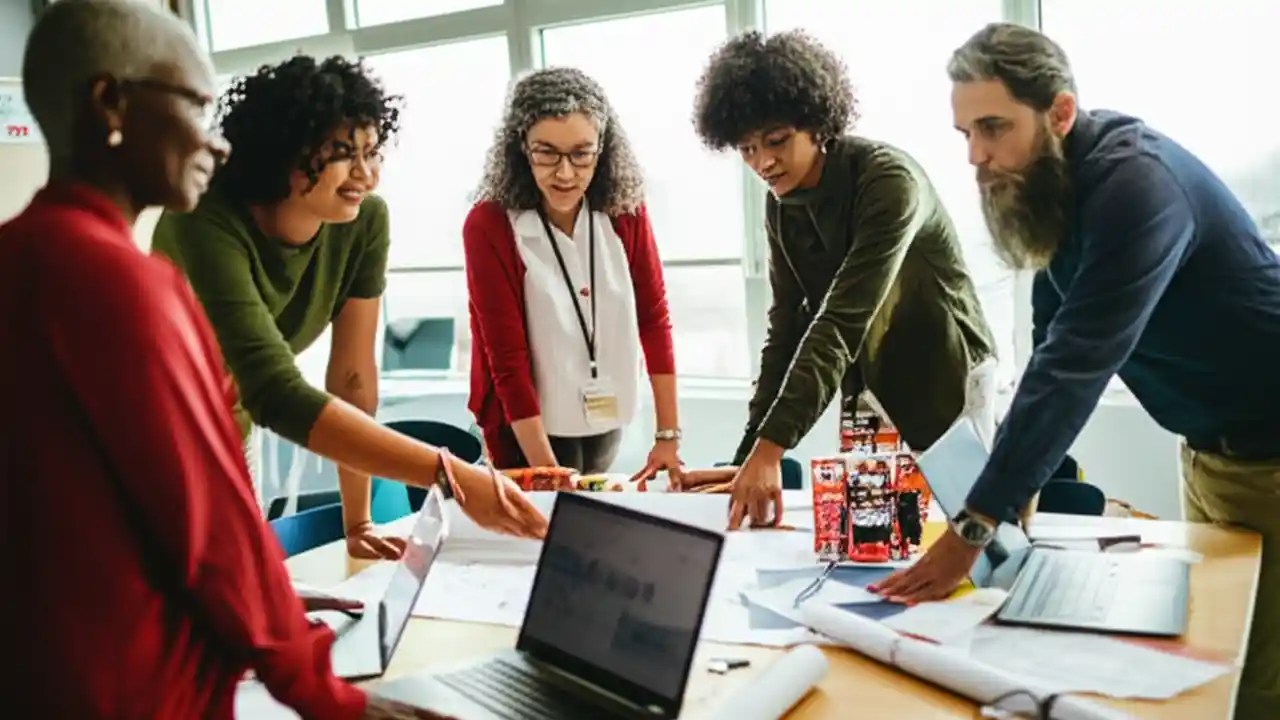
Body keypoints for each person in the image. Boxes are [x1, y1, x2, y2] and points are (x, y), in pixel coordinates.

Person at [0, 2, 454, 717]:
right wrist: (338, 700)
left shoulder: (19, 256)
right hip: (138, 685)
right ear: (111, 102)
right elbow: (204, 528)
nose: (217, 144)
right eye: (195, 107)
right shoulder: (126, 284)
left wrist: (258, 591)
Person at [873, 22, 1280, 718]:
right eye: (964, 133)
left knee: (1252, 685)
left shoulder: (1135, 186)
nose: (976, 156)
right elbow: (1046, 349)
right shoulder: (1060, 190)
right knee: (1212, 652)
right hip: (1210, 453)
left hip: (1271, 456)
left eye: (994, 127)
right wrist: (1017, 500)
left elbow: (1075, 365)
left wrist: (973, 529)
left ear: (1060, 112)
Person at [151, 55, 546, 558]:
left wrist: (357, 522)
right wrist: (454, 477)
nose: (365, 174)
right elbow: (275, 392)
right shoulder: (204, 219)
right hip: (148, 431)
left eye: (373, 152)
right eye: (342, 154)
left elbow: (353, 377)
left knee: (241, 586)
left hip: (229, 425)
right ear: (284, 153)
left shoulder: (362, 222)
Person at [690, 30, 996, 528]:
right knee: (871, 543)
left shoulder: (889, 181)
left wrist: (772, 451)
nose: (763, 162)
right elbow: (786, 330)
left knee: (966, 542)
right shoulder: (781, 204)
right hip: (866, 381)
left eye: (776, 140)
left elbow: (838, 321)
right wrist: (749, 454)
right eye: (746, 149)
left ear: (816, 123)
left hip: (947, 375)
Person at [465, 67, 683, 480]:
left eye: (582, 154)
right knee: (541, 531)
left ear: (603, 149)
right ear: (520, 147)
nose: (565, 173)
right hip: (522, 426)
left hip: (604, 414)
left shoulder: (626, 211)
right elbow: (505, 360)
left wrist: (668, 435)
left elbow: (653, 319)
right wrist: (546, 472)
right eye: (546, 152)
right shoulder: (488, 225)